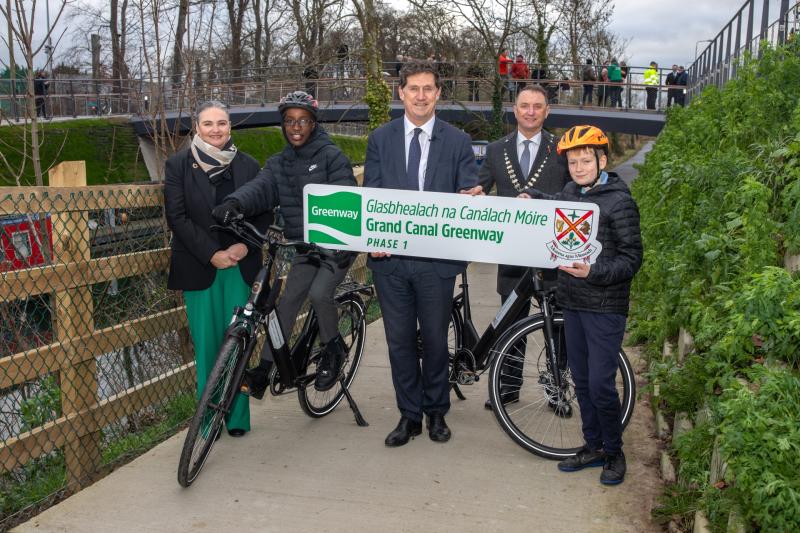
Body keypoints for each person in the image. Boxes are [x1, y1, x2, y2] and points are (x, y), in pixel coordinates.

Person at [363, 60, 481, 447]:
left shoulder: (458, 141)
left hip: (437, 263)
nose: (420, 95)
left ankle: (436, 413)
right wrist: (373, 235)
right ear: (401, 93)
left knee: (433, 339)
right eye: (413, 88)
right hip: (391, 263)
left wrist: (471, 197)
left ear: (438, 94)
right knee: (398, 341)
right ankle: (408, 415)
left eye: (428, 88)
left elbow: (467, 186)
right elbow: (374, 195)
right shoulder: (381, 139)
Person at [519, 125, 643, 486]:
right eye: (573, 162)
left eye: (585, 160)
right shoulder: (572, 192)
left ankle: (614, 452)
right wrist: (532, 197)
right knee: (584, 383)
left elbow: (633, 258)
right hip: (571, 303)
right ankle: (592, 445)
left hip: (605, 305)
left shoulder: (620, 201)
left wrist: (594, 271)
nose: (578, 167)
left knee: (602, 384)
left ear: (602, 160)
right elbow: (555, 201)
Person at [212, 91, 358, 396]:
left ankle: (334, 349)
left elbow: (348, 199)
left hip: (336, 246)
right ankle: (263, 371)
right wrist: (234, 203)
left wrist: (342, 240)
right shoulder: (279, 162)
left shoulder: (332, 157)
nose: (296, 127)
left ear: (314, 124)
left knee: (320, 293)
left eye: (303, 121)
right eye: (290, 121)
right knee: (285, 303)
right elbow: (261, 188)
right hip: (305, 247)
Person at [165, 101, 270, 438]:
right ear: (196, 127)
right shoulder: (178, 165)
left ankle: (237, 417)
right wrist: (212, 253)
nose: (215, 130)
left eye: (222, 123)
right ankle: (206, 422)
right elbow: (177, 217)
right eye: (208, 123)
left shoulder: (250, 166)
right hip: (201, 267)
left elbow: (265, 213)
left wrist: (243, 247)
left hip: (240, 266)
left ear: (230, 126)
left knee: (238, 344)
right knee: (208, 346)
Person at [477, 84, 569, 410]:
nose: (530, 111)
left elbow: (574, 194)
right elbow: (479, 187)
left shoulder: (562, 149)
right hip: (512, 253)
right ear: (514, 110)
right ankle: (509, 386)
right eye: (524, 105)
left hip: (553, 251)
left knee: (556, 326)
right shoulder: (494, 150)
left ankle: (556, 389)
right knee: (512, 322)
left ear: (547, 111)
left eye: (537, 106)